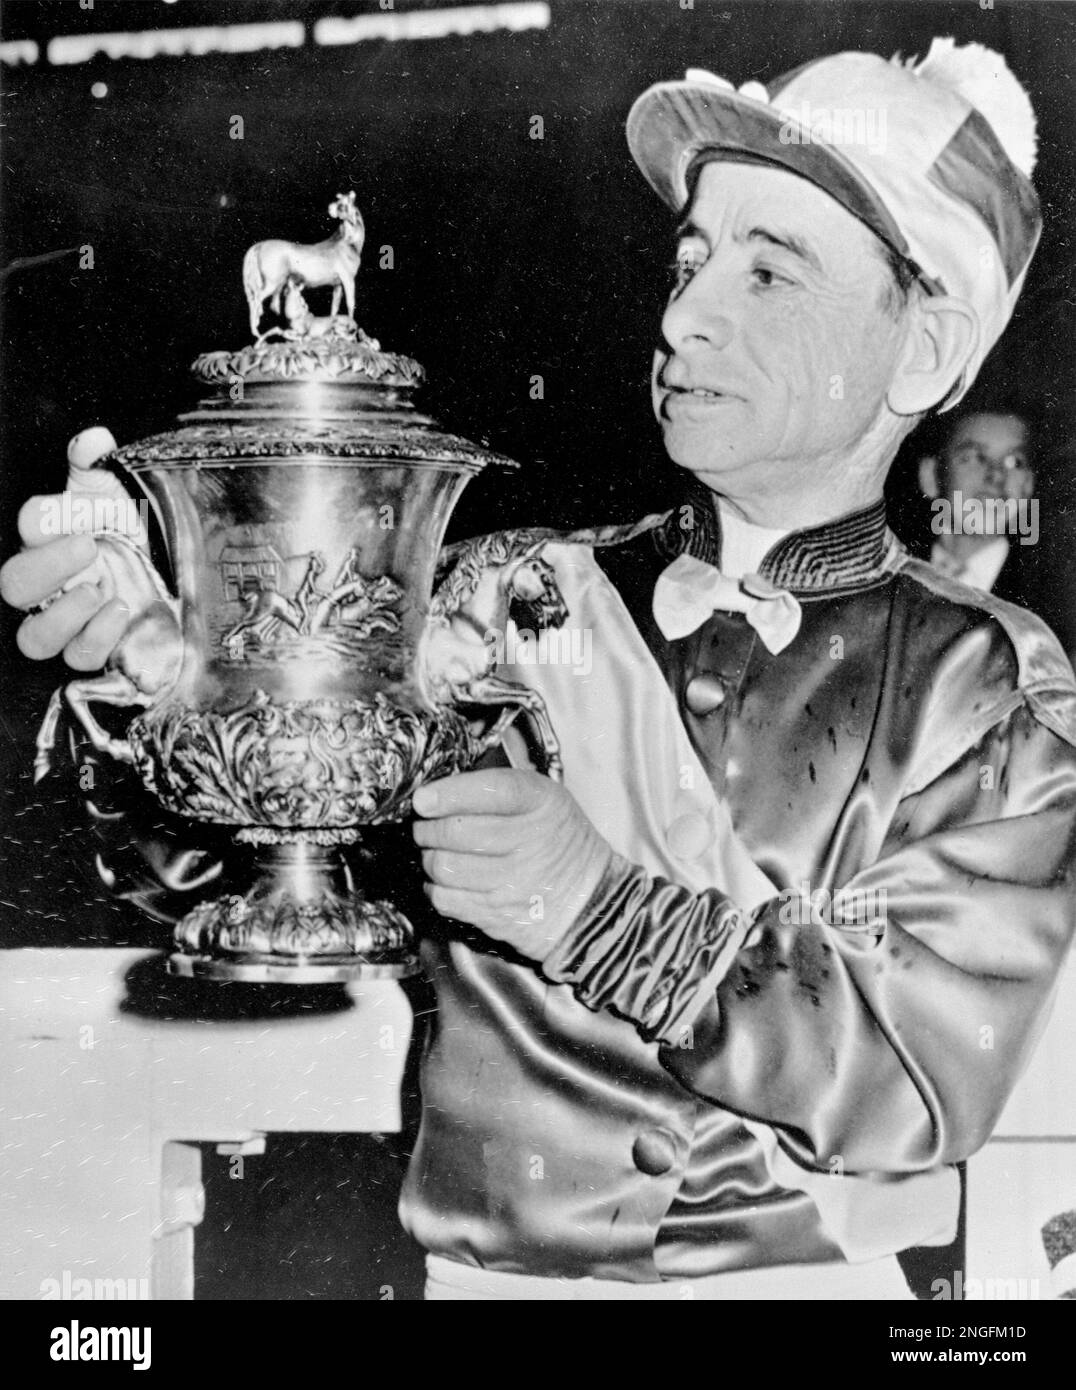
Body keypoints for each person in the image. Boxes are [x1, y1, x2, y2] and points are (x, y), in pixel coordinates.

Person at [4, 39, 1076, 1301]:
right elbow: (243, 881)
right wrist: (169, 679)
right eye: (687, 262)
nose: (681, 317)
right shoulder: (510, 588)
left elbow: (908, 1079)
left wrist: (591, 903)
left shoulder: (988, 682)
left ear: (919, 346)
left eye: (767, 269)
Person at [915, 404, 1038, 598]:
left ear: (1028, 484)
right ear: (930, 476)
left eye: (1014, 462)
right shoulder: (890, 581)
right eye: (974, 457)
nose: (996, 476)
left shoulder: (1052, 602)